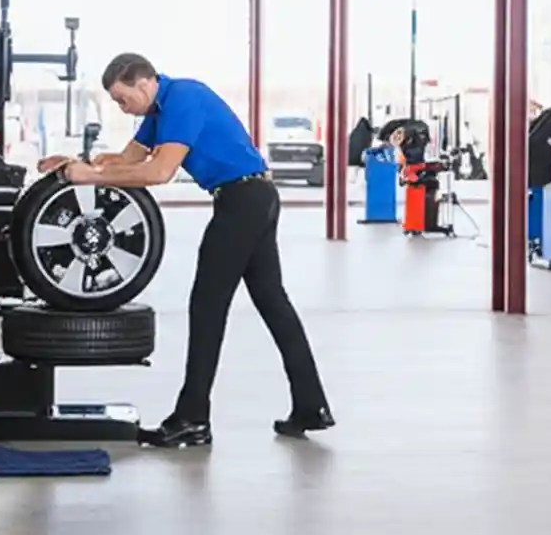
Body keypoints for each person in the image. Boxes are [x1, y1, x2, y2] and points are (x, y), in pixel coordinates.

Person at [37, 53, 334, 448]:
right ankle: (311, 406)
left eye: (124, 100)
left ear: (144, 84)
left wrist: (91, 175)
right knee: (272, 302)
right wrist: (78, 164)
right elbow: (125, 161)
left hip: (243, 201)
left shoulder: (183, 100)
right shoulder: (161, 107)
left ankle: (192, 418)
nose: (122, 109)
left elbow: (159, 172)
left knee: (208, 305)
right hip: (252, 197)